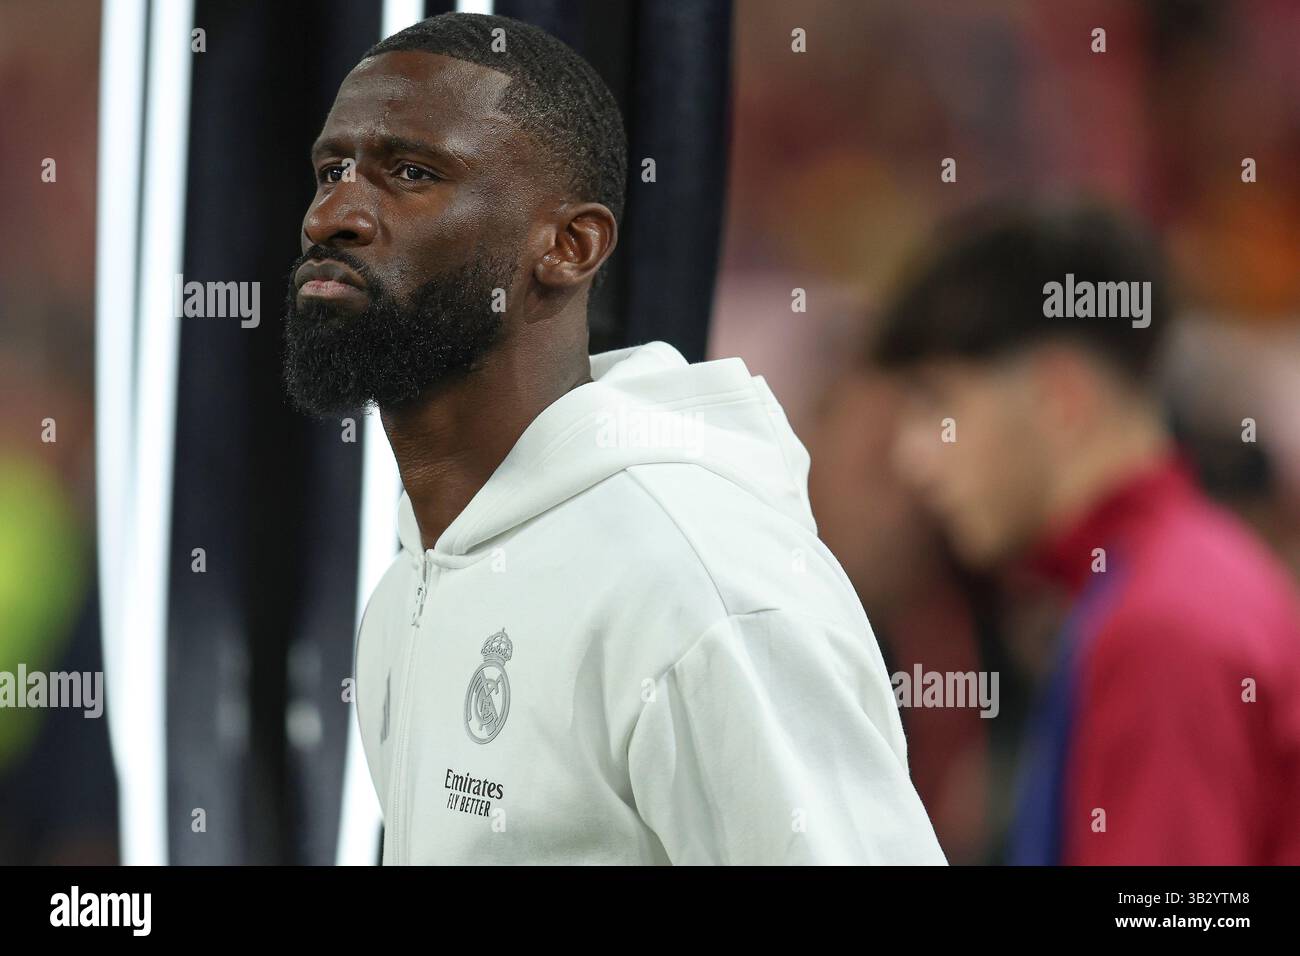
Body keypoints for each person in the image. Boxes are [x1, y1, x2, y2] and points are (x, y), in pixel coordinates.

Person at [282, 12, 944, 865]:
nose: (332, 216)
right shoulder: (411, 582)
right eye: (331, 170)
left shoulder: (700, 584)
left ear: (571, 246)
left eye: (411, 172)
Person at [870, 201, 1300, 864]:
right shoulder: (1171, 579)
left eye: (938, 403)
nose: (912, 456)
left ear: (1060, 396)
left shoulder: (1160, 625)